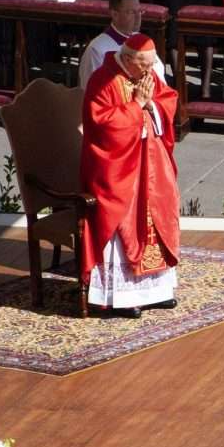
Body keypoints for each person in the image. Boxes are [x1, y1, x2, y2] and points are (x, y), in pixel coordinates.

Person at [80, 34, 179, 317]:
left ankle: (155, 292)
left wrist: (152, 106)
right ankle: (120, 298)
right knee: (126, 220)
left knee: (159, 213)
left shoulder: (146, 75)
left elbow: (167, 101)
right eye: (143, 65)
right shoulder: (104, 81)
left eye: (151, 65)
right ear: (126, 59)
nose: (149, 72)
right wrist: (136, 105)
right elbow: (101, 127)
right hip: (118, 170)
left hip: (150, 165)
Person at [78, 0, 151, 88]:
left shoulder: (144, 44)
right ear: (115, 14)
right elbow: (91, 91)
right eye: (131, 12)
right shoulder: (97, 49)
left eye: (139, 11)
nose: (138, 17)